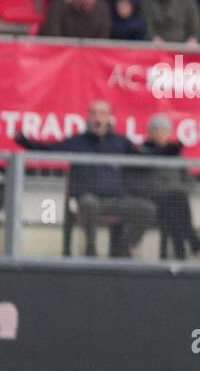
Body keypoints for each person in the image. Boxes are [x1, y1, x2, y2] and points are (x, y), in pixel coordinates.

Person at [15, 99, 155, 258]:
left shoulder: (121, 142)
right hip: (88, 199)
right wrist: (23, 140)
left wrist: (163, 149)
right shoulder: (77, 142)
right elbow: (48, 149)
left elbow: (143, 161)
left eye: (102, 114)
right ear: (88, 116)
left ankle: (124, 246)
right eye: (94, 113)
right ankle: (90, 249)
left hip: (116, 199)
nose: (98, 118)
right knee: (89, 203)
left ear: (109, 117)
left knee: (146, 209)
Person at [123, 113, 200, 259]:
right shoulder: (141, 153)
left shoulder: (176, 155)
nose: (160, 134)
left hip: (174, 199)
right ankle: (191, 244)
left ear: (169, 133)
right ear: (150, 132)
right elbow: (132, 180)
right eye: (157, 130)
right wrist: (150, 190)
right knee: (175, 203)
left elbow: (188, 179)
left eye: (164, 130)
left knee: (176, 204)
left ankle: (184, 250)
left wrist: (182, 189)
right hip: (151, 199)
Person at [40, 0, 110, 39]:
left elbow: (102, 40)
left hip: (89, 52)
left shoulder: (102, 10)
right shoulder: (58, 6)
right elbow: (52, 36)